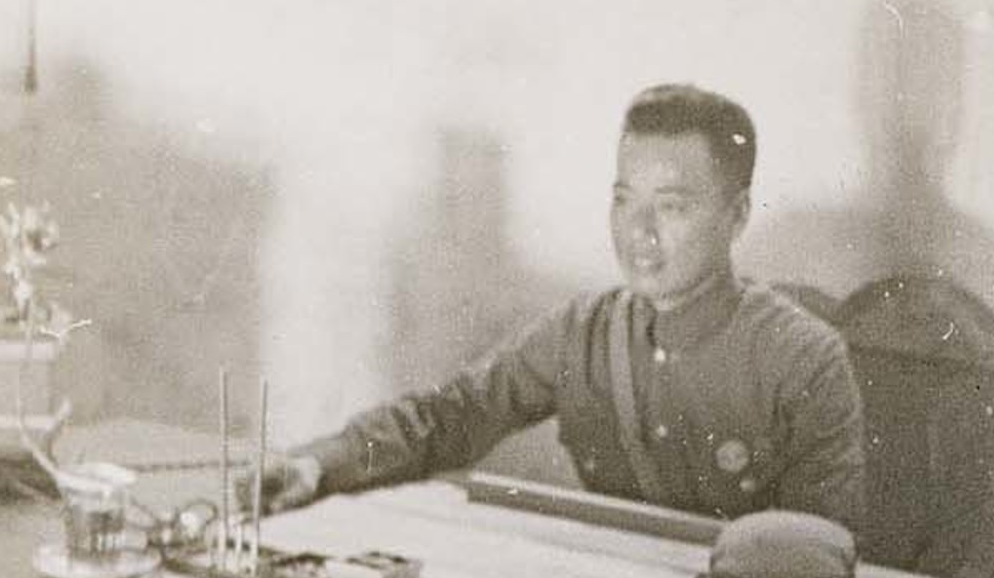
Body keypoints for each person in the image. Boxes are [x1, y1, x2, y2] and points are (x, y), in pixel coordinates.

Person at [259, 85, 864, 525]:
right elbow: (452, 417)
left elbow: (819, 557)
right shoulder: (585, 334)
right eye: (625, 201)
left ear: (736, 216)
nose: (639, 232)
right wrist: (319, 466)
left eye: (672, 207)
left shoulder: (803, 361)